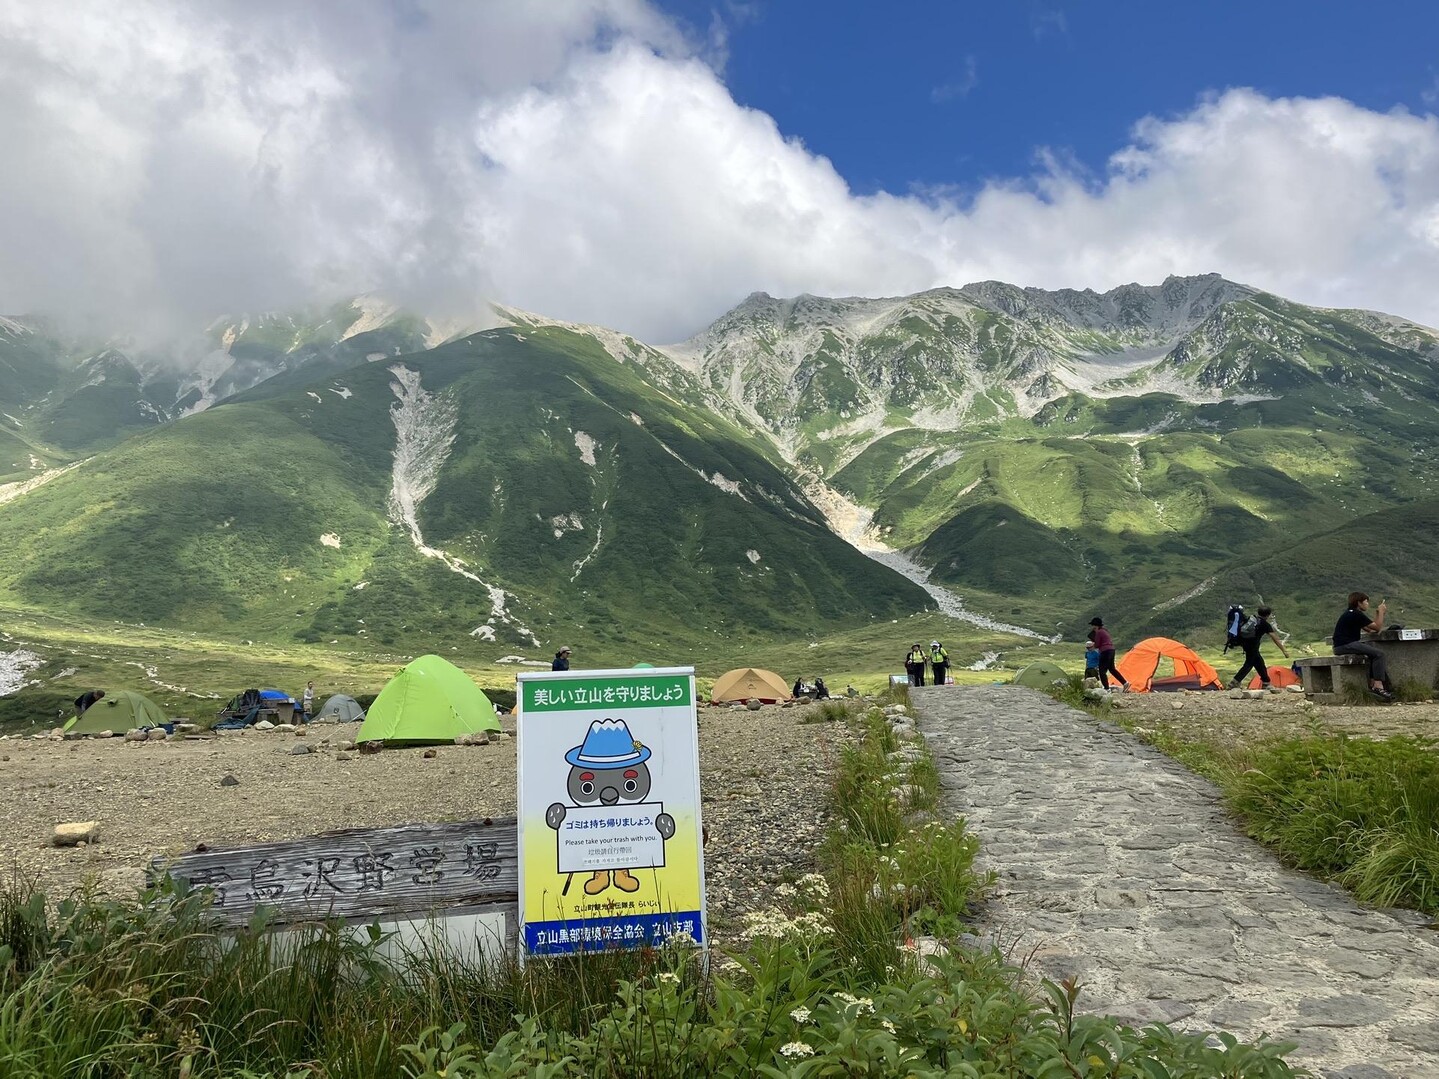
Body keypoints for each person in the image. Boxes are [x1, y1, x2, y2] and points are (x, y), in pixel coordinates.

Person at [1333, 592, 1393, 700]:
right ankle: (1378, 686)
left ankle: (1372, 683)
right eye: (1366, 601)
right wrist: (1381, 613)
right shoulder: (1356, 614)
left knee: (1371, 654)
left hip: (1342, 645)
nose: (1367, 604)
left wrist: (1377, 615)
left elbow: (1370, 629)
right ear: (1359, 603)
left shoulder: (1351, 613)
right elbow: (1377, 628)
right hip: (1346, 645)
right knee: (1379, 654)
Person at [1228, 605, 1290, 690]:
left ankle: (1266, 682)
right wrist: (1284, 651)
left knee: (1259, 663)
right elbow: (1274, 638)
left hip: (1246, 645)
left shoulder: (1252, 619)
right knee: (1249, 664)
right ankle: (1234, 682)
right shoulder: (1265, 624)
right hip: (1253, 647)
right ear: (1268, 615)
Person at [1087, 618, 1130, 692]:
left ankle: (1107, 688)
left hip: (1105, 651)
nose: (1092, 627)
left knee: (1102, 671)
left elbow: (1097, 644)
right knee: (1112, 669)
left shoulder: (1099, 632)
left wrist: (1093, 644)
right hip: (1111, 650)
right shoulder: (1104, 631)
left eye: (1093, 625)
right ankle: (1125, 683)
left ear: (1095, 626)